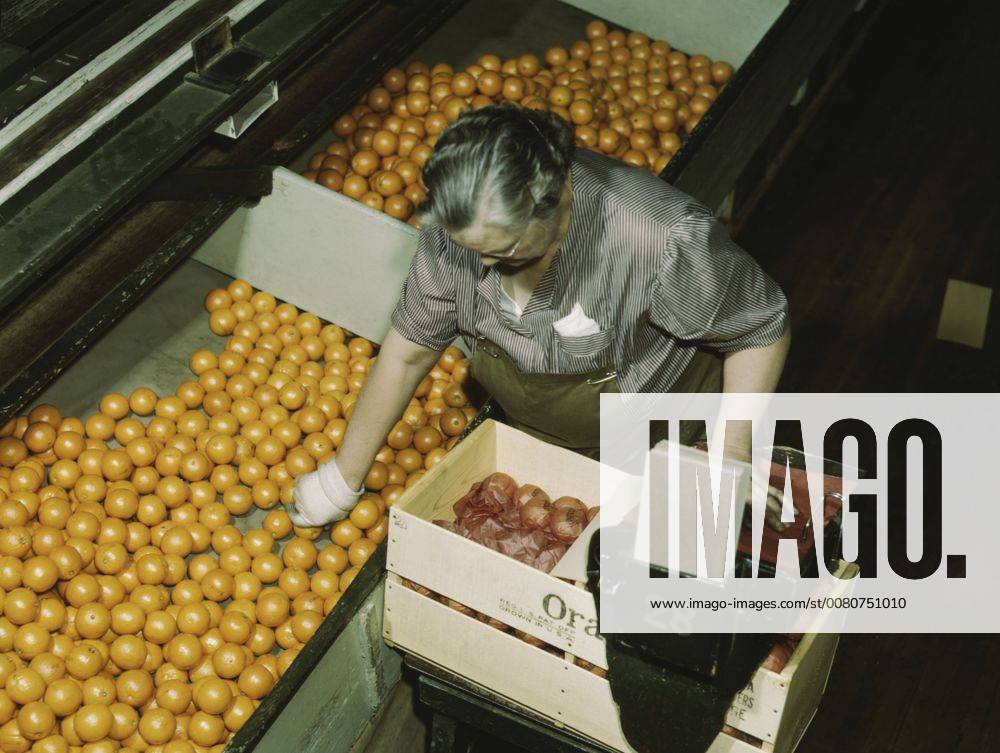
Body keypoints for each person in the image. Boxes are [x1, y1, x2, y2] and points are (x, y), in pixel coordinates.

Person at [290, 104, 790, 527]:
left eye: (503, 252)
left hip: (652, 426)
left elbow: (760, 329)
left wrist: (730, 455)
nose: (481, 265)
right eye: (468, 247)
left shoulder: (655, 239)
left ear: (557, 201)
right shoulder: (462, 231)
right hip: (541, 429)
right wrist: (342, 479)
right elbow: (409, 352)